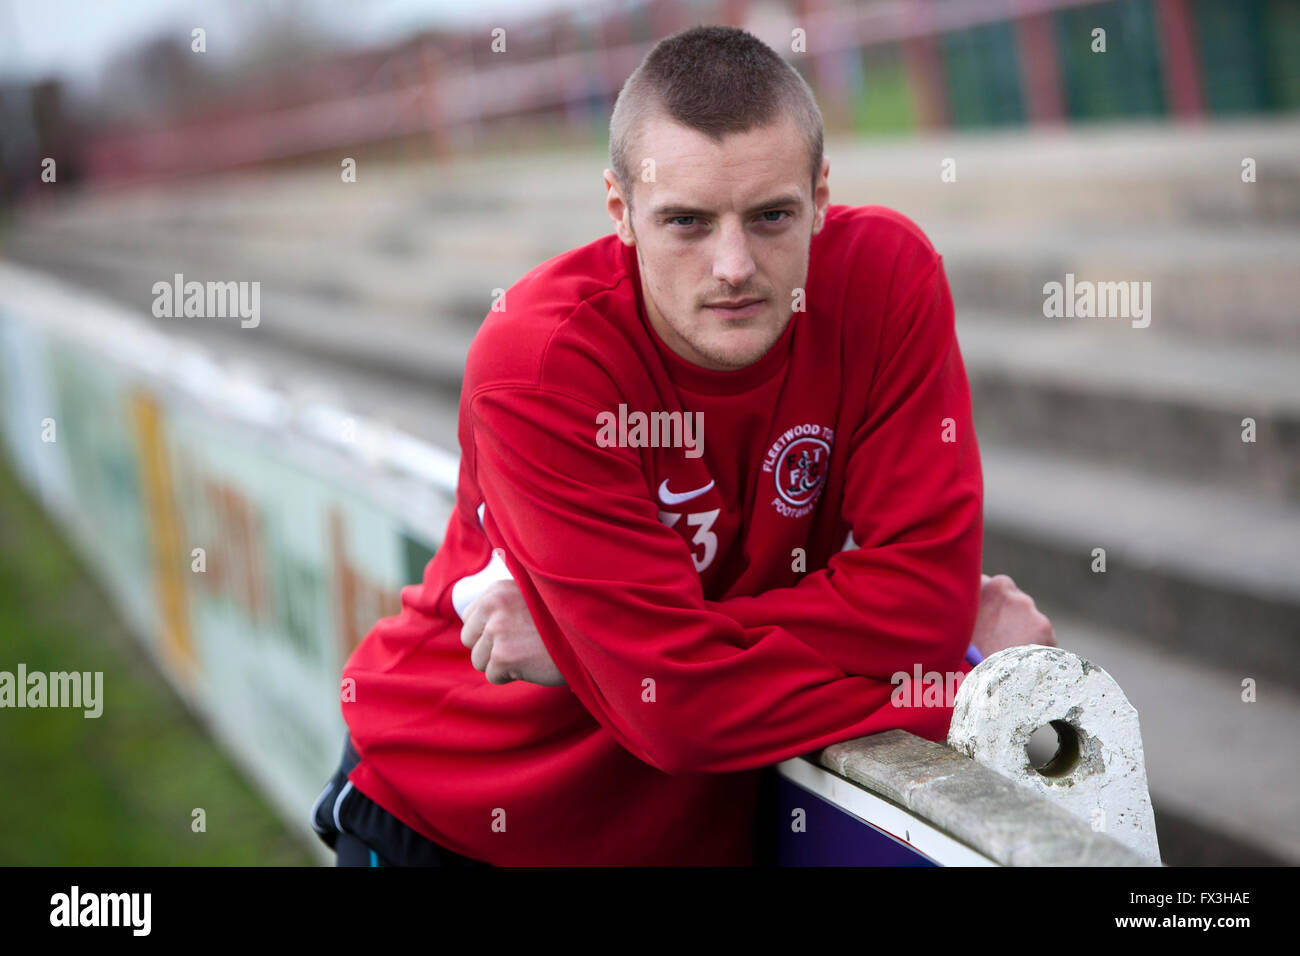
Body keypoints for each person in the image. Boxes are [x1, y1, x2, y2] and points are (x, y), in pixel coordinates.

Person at [312, 24, 1054, 868]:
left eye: (772, 216)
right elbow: (676, 709)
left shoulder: (887, 279)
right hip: (463, 815)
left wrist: (599, 648)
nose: (733, 264)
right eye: (687, 223)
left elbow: (918, 605)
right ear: (621, 214)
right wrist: (966, 689)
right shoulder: (540, 363)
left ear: (820, 193)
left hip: (690, 833)